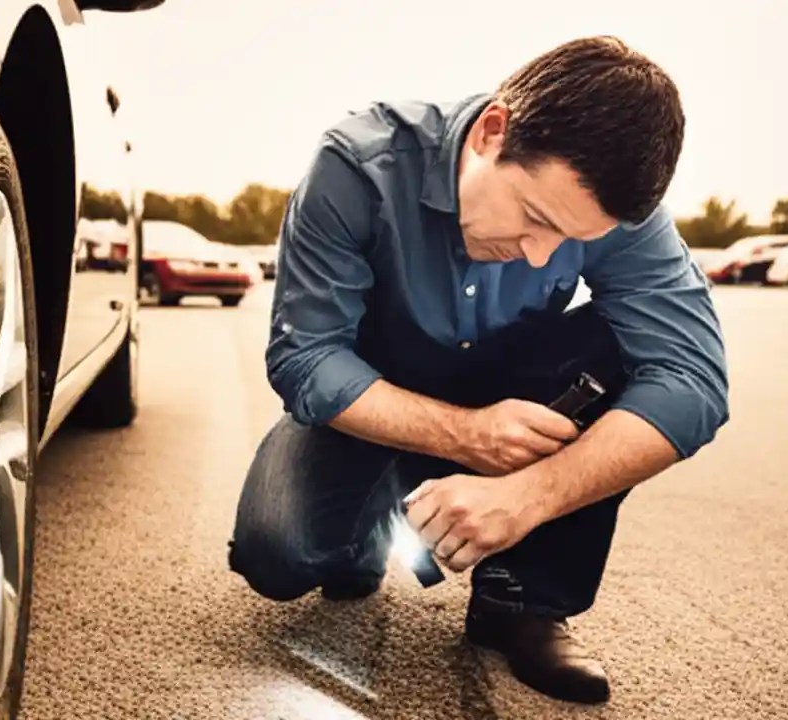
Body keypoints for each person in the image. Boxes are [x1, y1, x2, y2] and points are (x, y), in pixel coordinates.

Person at [227, 36, 729, 705]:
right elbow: (306, 356)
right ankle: (360, 542)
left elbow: (694, 379)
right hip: (373, 396)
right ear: (494, 132)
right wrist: (465, 437)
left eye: (571, 241)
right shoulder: (357, 166)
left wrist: (533, 494)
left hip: (514, 390)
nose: (538, 254)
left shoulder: (616, 211)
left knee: (623, 354)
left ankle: (525, 601)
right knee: (277, 556)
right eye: (534, 217)